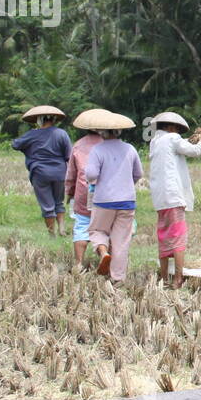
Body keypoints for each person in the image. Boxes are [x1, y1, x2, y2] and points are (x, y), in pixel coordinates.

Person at [148, 111, 201, 288]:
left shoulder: (155, 142)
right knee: (177, 237)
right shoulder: (173, 138)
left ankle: (164, 278)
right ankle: (178, 278)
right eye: (175, 128)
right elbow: (194, 151)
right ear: (170, 127)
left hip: (160, 199)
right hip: (173, 196)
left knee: (164, 236)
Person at [83, 114, 142, 284]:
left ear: (102, 132)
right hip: (127, 201)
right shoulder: (130, 149)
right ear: (119, 131)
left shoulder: (98, 150)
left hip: (104, 200)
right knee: (122, 240)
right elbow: (138, 174)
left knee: (97, 231)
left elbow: (91, 174)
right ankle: (118, 278)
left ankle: (103, 253)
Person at [11, 105, 72, 235]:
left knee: (47, 205)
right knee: (58, 202)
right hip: (60, 173)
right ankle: (61, 227)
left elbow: (15, 144)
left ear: (39, 120)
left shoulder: (32, 134)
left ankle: (52, 234)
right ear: (54, 120)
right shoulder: (62, 134)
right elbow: (68, 156)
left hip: (40, 173)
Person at [64, 110, 108, 271]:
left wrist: (69, 193)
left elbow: (71, 174)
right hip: (104, 193)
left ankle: (78, 264)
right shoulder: (107, 144)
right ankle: (104, 254)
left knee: (82, 224)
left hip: (83, 192)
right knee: (101, 227)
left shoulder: (78, 145)